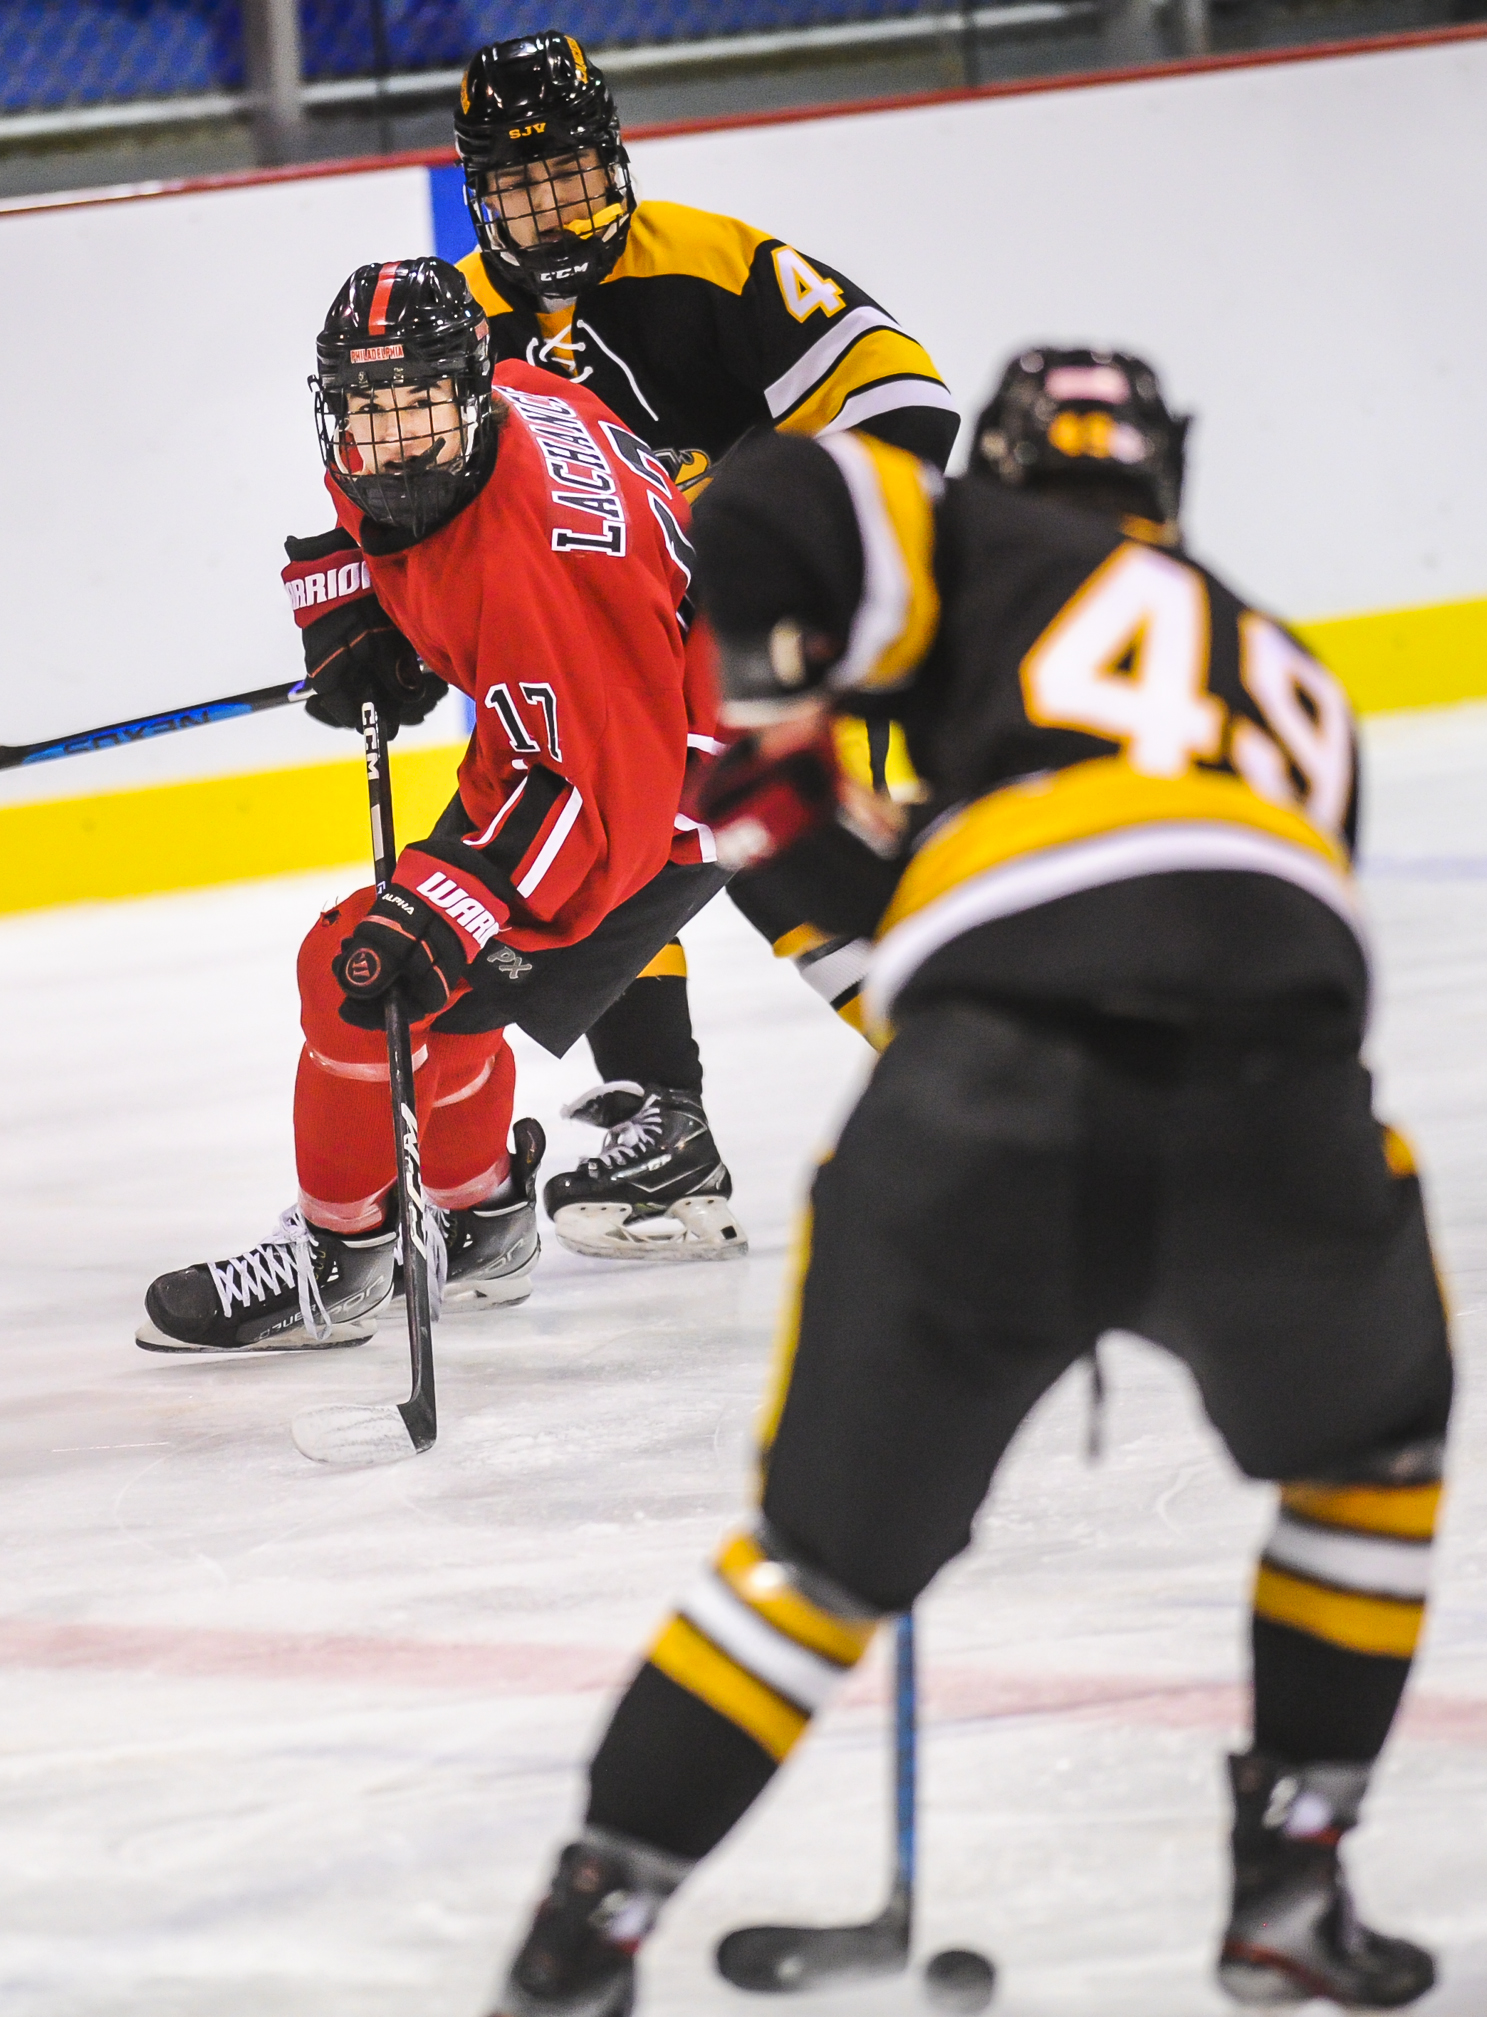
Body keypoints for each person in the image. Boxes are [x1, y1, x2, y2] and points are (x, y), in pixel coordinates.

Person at [483, 349, 1452, 2014]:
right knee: (1375, 1454)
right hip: (1274, 1112)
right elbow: (1241, 908)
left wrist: (777, 746)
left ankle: (589, 1925)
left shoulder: (970, 543)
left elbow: (773, 496)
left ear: (992, 471)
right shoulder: (1292, 674)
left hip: (982, 1096)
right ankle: (1291, 1879)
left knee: (818, 1564)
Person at [136, 256, 734, 1353]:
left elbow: (604, 797)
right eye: (367, 404)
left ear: (465, 391)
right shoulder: (496, 405)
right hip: (607, 730)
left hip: (670, 785)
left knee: (360, 974)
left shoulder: (541, 573)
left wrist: (449, 906)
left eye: (415, 401)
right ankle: (482, 1219)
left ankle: (339, 1255)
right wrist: (351, 597)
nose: (392, 433)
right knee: (443, 1011)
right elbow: (383, 517)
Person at [444, 30, 957, 1257]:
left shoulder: (713, 263)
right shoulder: (458, 321)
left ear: (612, 160)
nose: (548, 206)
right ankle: (664, 1137)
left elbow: (906, 405)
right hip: (608, 681)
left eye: (566, 172)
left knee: (792, 857)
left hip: (751, 650)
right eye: (517, 184)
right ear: (478, 188)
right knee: (583, 864)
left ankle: (1002, 1087)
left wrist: (749, 535)